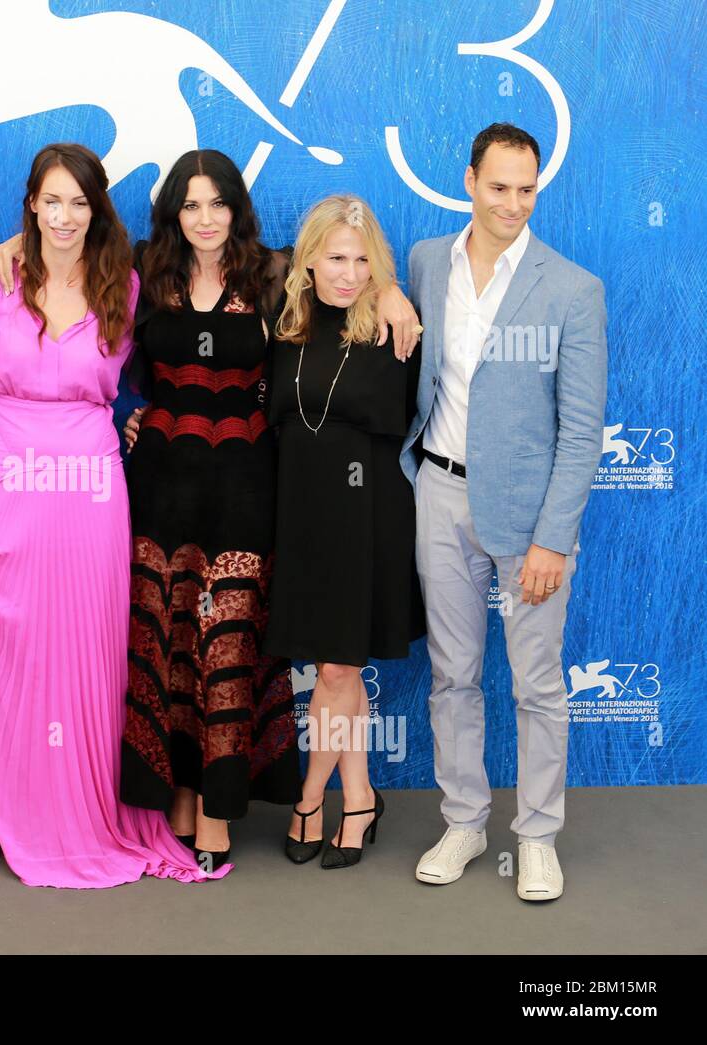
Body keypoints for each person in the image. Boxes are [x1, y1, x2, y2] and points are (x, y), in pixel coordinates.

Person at [34, 157, 419, 867]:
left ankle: (217, 811)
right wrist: (7, 247)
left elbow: (343, 263)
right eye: (190, 205)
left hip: (246, 487)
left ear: (237, 210)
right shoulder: (144, 268)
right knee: (168, 647)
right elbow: (62, 242)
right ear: (172, 214)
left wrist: (392, 288)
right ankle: (177, 796)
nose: (204, 218)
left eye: (217, 204)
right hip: (161, 486)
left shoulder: (271, 275)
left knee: (228, 647)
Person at [0, 142, 221, 887]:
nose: (65, 215)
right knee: (15, 647)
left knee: (89, 647)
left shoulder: (124, 285)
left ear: (96, 209)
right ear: (31, 203)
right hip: (10, 466)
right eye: (52, 200)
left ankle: (86, 810)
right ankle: (15, 810)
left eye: (79, 202)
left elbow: (221, 278)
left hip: (92, 477)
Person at [402, 124, 607, 901]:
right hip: (440, 495)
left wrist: (555, 537)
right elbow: (340, 272)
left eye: (527, 189)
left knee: (537, 683)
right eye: (498, 187)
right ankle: (463, 820)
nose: (513, 203)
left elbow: (583, 429)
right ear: (469, 181)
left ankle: (539, 834)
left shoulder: (572, 288)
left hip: (530, 516)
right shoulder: (426, 263)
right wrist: (386, 289)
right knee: (452, 675)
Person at [264, 194, 425, 869]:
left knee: (336, 665)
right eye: (335, 257)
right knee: (338, 667)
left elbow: (400, 417)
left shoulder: (394, 326)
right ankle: (357, 793)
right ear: (309, 260)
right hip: (302, 513)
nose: (349, 272)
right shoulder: (285, 320)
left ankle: (310, 795)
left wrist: (389, 289)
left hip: (367, 516)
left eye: (363, 261)